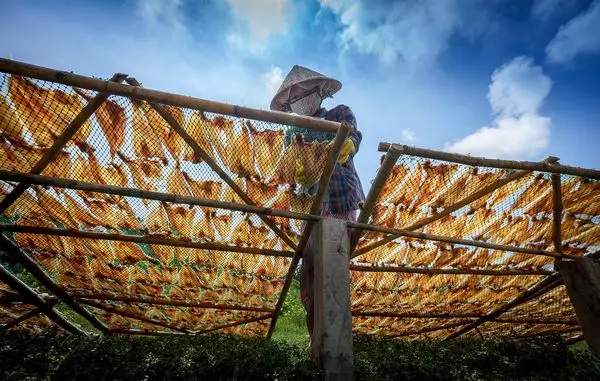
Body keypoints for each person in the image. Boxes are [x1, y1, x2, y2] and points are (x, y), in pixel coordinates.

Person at [270, 65, 365, 357]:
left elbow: (354, 137)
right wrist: (298, 169)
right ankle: (318, 341)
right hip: (308, 204)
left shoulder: (338, 114)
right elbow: (286, 170)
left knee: (333, 270)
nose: (293, 99)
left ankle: (337, 348)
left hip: (338, 200)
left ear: (318, 91)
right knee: (311, 272)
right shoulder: (292, 132)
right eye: (288, 97)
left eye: (296, 92)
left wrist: (347, 144)